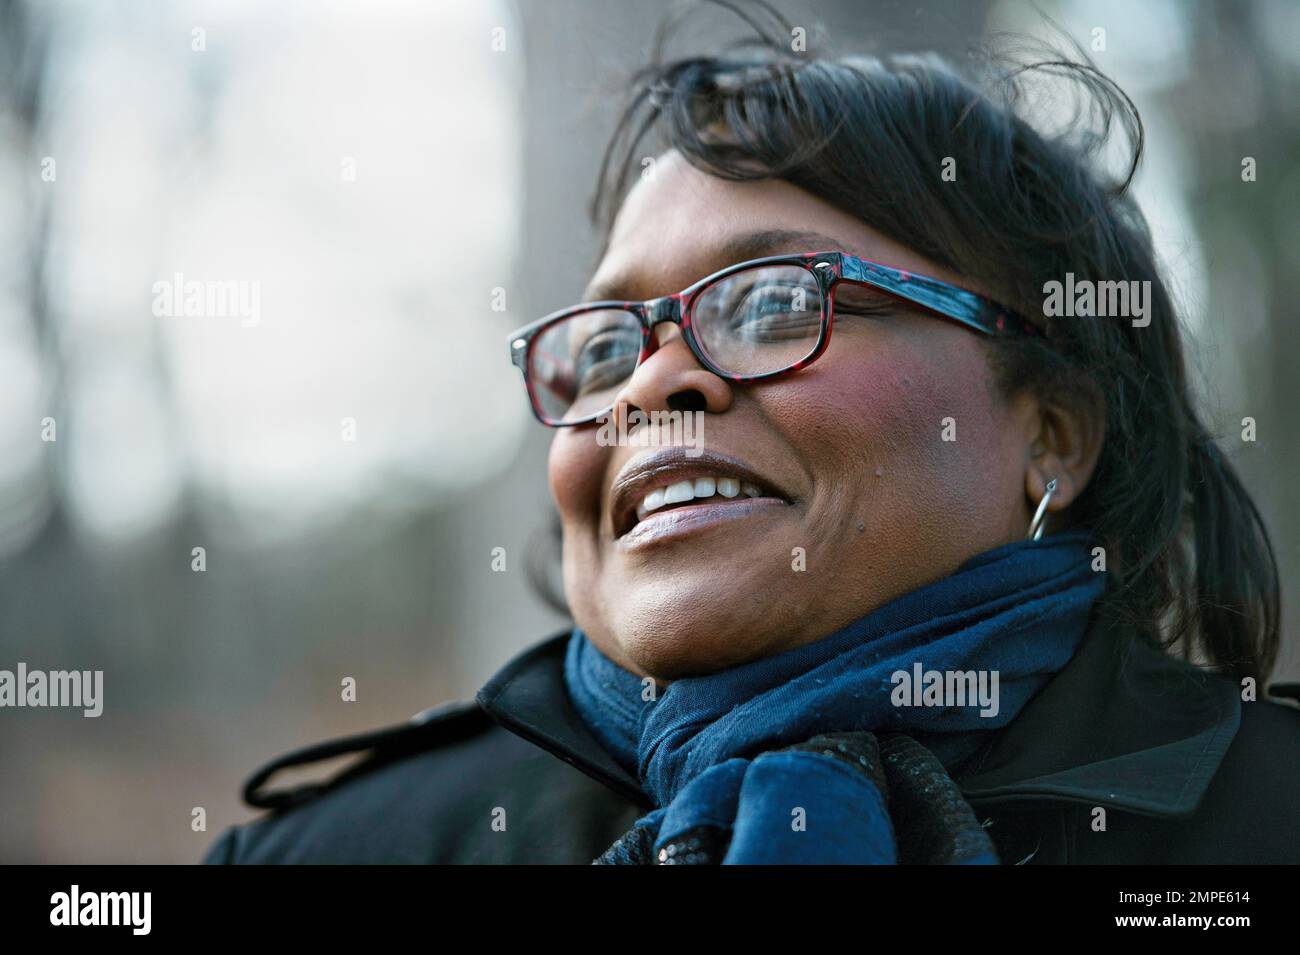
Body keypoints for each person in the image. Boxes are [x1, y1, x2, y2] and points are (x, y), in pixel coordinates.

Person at [203, 6, 1300, 865]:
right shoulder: (337, 852)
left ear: (1053, 433)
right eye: (602, 348)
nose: (651, 383)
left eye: (774, 302)